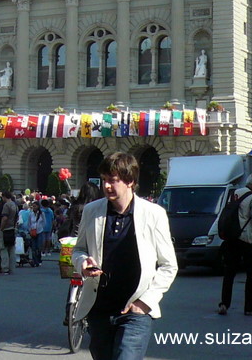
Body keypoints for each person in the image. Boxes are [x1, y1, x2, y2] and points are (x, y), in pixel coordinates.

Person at [71, 152, 177, 360]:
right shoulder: (92, 211)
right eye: (104, 181)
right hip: (99, 309)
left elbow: (168, 265)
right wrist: (83, 263)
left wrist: (146, 302)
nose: (106, 186)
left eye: (112, 181)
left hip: (135, 310)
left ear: (130, 181)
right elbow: (79, 249)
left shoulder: (153, 214)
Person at [218, 173, 252, 316]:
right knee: (251, 274)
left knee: (229, 273)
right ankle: (250, 307)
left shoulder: (236, 193)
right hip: (248, 239)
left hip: (232, 237)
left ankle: (224, 303)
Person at [0, 191, 18, 274]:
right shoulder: (14, 205)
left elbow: (5, 218)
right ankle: (12, 267)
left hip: (6, 229)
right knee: (12, 249)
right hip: (12, 228)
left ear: (4, 197)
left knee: (3, 249)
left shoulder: (6, 205)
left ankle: (5, 268)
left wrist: (1, 228)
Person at [28, 201, 46, 267]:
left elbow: (44, 222)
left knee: (38, 247)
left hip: (39, 231)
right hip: (33, 231)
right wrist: (30, 230)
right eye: (33, 206)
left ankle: (38, 259)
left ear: (38, 207)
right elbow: (29, 223)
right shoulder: (31, 214)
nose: (34, 207)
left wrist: (42, 228)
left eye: (35, 206)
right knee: (33, 247)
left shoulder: (41, 214)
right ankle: (34, 261)